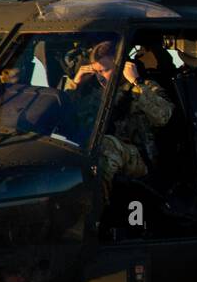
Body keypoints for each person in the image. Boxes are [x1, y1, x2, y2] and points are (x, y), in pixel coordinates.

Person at [64, 40, 174, 197]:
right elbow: (65, 117)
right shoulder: (95, 92)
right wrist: (76, 85)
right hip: (105, 150)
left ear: (123, 67)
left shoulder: (144, 87)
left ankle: (94, 207)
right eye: (96, 71)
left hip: (139, 157)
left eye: (105, 70)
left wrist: (136, 82)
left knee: (105, 147)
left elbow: (164, 116)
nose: (100, 77)